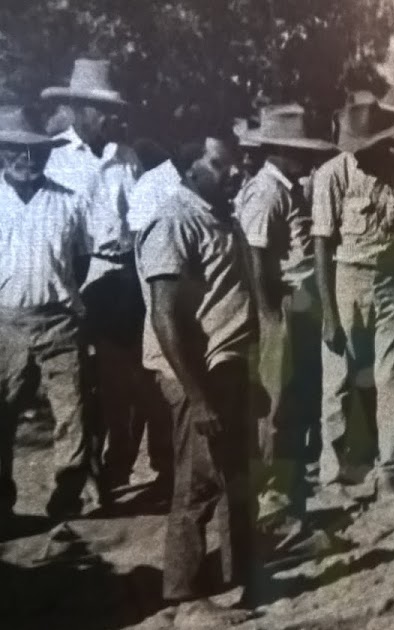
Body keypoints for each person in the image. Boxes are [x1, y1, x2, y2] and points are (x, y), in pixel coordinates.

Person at [137, 129, 258, 625]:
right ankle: (184, 596)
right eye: (220, 164)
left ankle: (235, 581)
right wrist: (198, 396)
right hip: (196, 375)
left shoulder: (221, 216)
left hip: (226, 367)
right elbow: (165, 316)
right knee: (198, 484)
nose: (235, 172)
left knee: (234, 478)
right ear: (191, 169)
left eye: (235, 163)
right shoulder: (173, 222)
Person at [42, 58, 149, 499]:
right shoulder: (55, 157)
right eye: (100, 110)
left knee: (122, 381)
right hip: (82, 276)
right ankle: (80, 475)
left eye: (112, 110)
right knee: (80, 383)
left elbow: (144, 218)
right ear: (78, 109)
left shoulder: (127, 157)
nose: (108, 118)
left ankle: (113, 467)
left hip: (126, 275)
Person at [311, 92, 394, 508]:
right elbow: (322, 245)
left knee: (389, 375)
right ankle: (332, 473)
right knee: (338, 378)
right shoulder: (331, 176)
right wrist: (328, 312)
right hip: (347, 280)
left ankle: (389, 467)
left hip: (390, 281)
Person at [234, 104, 338, 527]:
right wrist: (268, 314)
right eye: (300, 152)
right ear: (280, 151)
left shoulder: (288, 189)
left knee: (295, 397)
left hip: (299, 302)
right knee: (276, 402)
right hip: (282, 304)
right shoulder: (266, 192)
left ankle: (289, 486)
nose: (308, 159)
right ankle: (272, 493)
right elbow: (255, 257)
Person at [0, 106, 93, 525]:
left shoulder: (69, 202)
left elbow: (81, 262)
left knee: (73, 412)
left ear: (47, 153)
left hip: (59, 321)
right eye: (15, 150)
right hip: (5, 323)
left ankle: (67, 498)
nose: (26, 159)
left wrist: (59, 297)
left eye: (36, 151)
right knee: (3, 415)